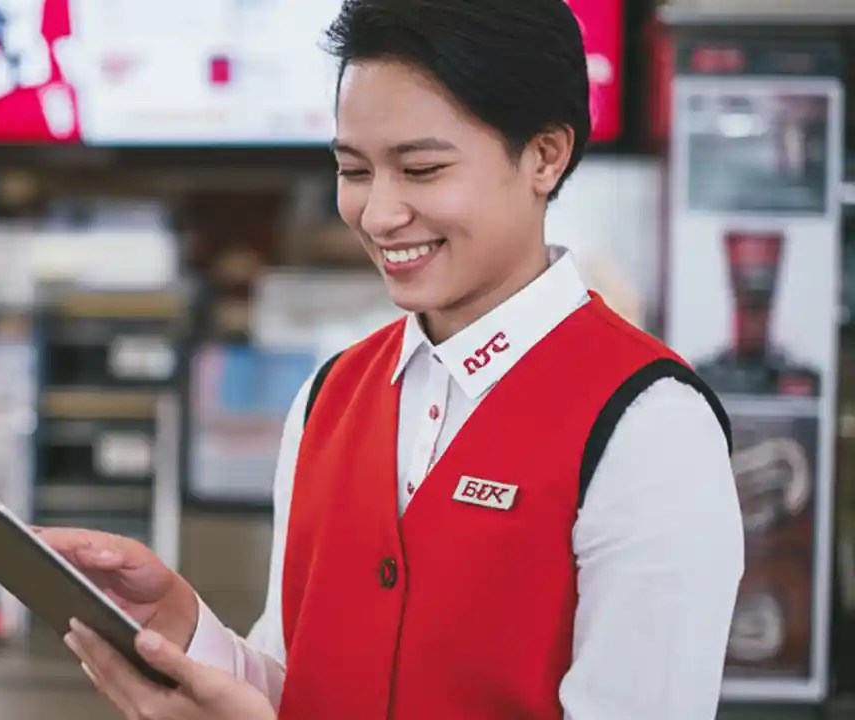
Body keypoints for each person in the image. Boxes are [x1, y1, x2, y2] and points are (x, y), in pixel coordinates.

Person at [47, 0, 745, 717]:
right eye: (354, 170)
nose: (378, 214)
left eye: (421, 169)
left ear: (545, 155)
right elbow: (304, 678)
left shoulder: (650, 426)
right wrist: (185, 633)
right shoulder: (331, 392)